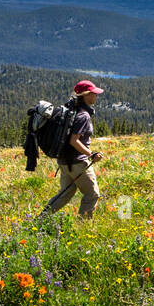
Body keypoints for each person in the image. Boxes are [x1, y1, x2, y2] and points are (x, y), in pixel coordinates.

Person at [40, 80, 105, 219]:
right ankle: (84, 226)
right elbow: (73, 140)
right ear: (86, 95)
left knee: (66, 193)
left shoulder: (71, 111)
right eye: (94, 93)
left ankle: (41, 219)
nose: (96, 96)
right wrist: (91, 154)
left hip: (64, 162)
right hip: (78, 163)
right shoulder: (83, 115)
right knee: (92, 194)